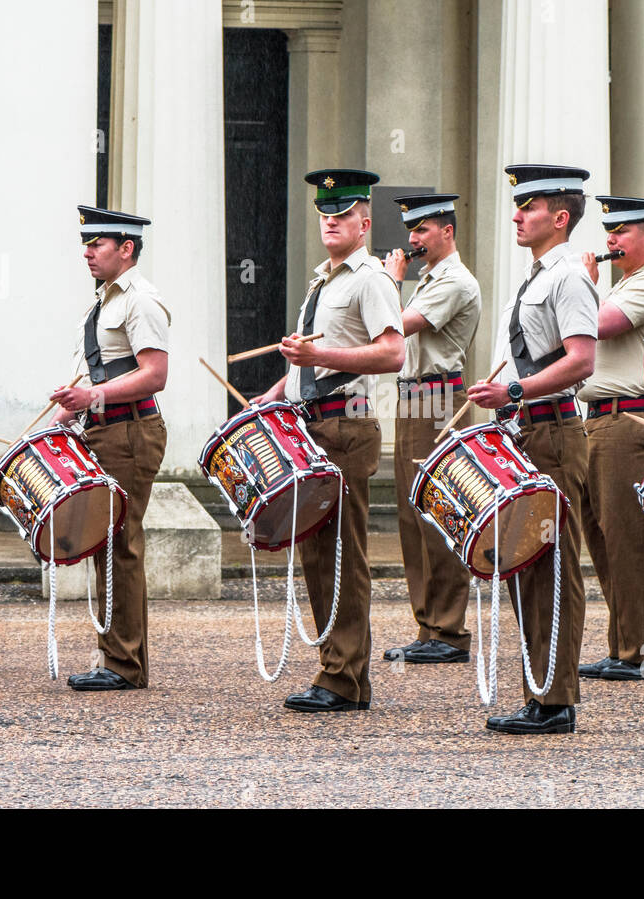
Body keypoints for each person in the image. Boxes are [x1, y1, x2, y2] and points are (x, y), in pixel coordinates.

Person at [252, 168, 404, 712]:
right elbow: (309, 365)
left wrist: (319, 358)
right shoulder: (324, 280)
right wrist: (276, 392)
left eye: (341, 215)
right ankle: (343, 675)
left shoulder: (370, 279)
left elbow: (392, 353)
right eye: (325, 214)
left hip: (345, 425)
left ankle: (343, 676)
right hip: (311, 422)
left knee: (341, 552)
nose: (331, 223)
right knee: (319, 552)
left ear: (364, 222)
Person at [466, 164, 597, 734]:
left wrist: (514, 390)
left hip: (553, 432)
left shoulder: (568, 276)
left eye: (530, 207)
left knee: (552, 561)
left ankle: (556, 698)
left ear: (560, 217)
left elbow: (581, 359)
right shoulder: (536, 276)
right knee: (525, 560)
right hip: (526, 430)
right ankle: (539, 690)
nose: (516, 215)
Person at [50, 206, 169, 691]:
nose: (87, 252)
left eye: (97, 244)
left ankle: (123, 663)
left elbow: (154, 374)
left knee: (121, 544)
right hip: (105, 428)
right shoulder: (105, 300)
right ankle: (120, 657)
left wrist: (93, 397)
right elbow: (104, 371)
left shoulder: (141, 299)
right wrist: (70, 411)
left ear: (126, 248)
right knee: (109, 544)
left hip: (130, 431)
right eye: (86, 243)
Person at [575, 196, 644, 681]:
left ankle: (642, 652)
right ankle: (623, 646)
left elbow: (595, 327)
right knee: (601, 538)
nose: (610, 240)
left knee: (627, 540)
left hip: (628, 422)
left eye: (622, 232)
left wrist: (581, 288)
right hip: (597, 419)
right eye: (609, 231)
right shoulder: (625, 283)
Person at [381, 193, 482, 665]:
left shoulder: (455, 281)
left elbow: (397, 327)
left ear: (448, 231)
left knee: (438, 513)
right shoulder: (429, 279)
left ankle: (448, 630)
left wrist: (388, 283)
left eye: (422, 230)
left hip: (439, 401)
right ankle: (428, 626)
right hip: (413, 400)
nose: (413, 240)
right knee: (411, 516)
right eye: (411, 231)